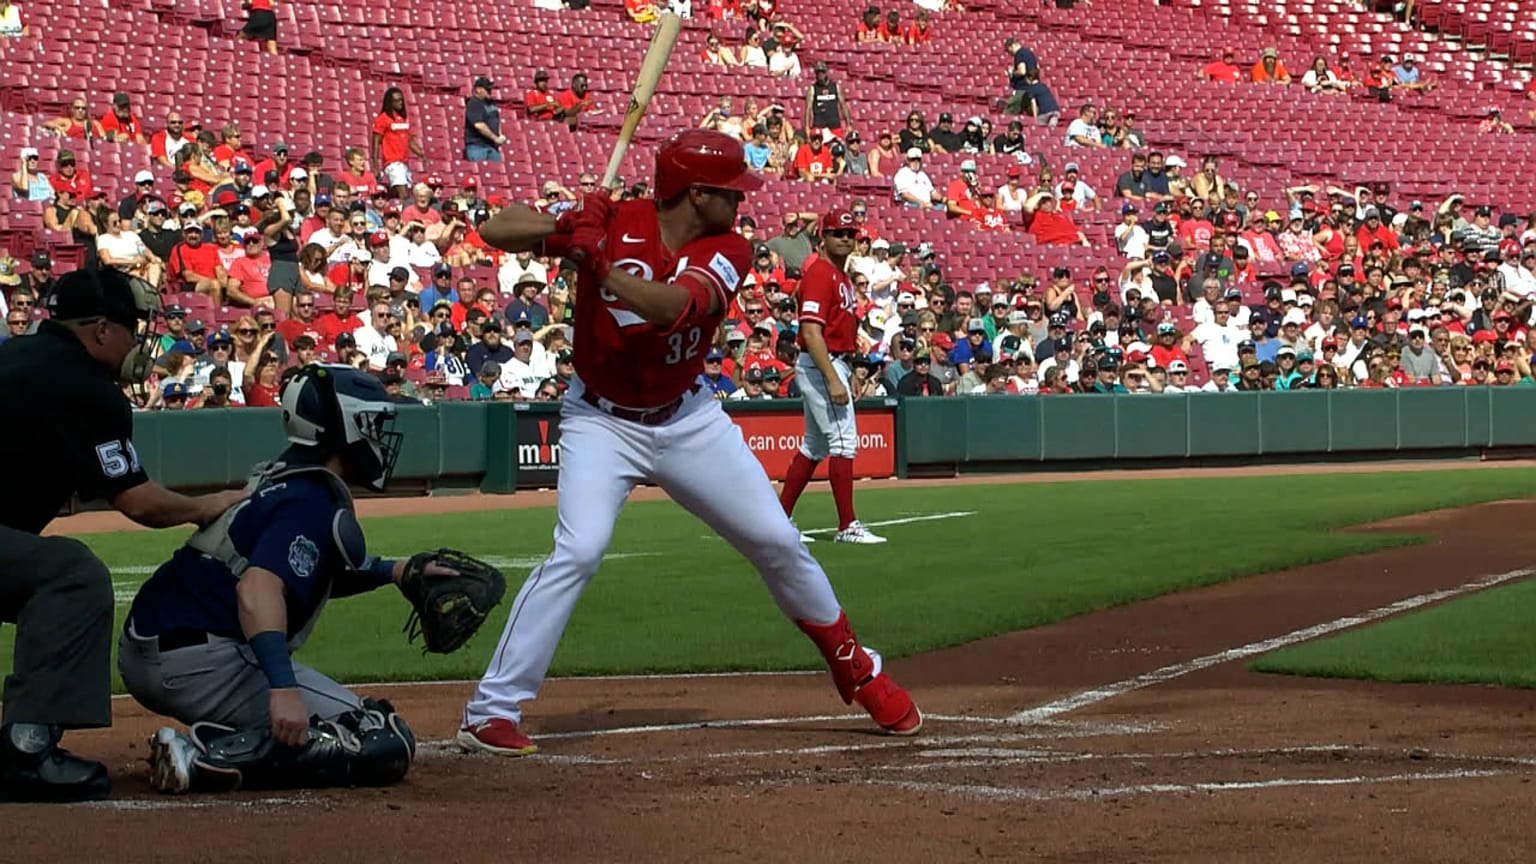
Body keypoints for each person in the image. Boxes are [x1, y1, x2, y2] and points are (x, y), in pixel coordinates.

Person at [458, 129, 922, 756]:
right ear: (697, 193)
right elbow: (495, 230)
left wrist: (598, 264)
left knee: (777, 540)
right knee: (579, 550)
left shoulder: (732, 247)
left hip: (687, 418)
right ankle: (491, 709)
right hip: (600, 419)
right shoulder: (615, 220)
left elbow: (673, 307)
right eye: (732, 192)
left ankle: (856, 669)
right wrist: (568, 223)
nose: (741, 201)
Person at [120, 364, 459, 794]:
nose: (379, 437)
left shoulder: (283, 478)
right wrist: (282, 687)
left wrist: (394, 571)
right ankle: (201, 757)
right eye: (372, 424)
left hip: (157, 644)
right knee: (376, 738)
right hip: (198, 660)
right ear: (345, 428)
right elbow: (257, 588)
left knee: (345, 730)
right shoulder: (310, 501)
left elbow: (297, 572)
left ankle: (225, 741)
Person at [0, 268, 245, 802]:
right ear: (101, 330)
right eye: (132, 329)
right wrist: (206, 505)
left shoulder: (18, 355)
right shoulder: (83, 385)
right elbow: (139, 502)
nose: (138, 342)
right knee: (72, 576)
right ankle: (26, 747)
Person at [778, 206, 886, 545]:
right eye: (838, 233)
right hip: (820, 362)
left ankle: (779, 520)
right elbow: (811, 332)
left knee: (814, 445)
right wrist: (832, 377)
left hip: (834, 360)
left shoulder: (840, 276)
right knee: (843, 442)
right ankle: (847, 525)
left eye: (850, 234)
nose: (845, 238)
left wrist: (847, 369)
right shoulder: (820, 274)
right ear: (823, 237)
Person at [371, 87, 426, 197]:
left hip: (404, 163)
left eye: (401, 100)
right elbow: (376, 143)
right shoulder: (383, 119)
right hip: (392, 162)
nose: (400, 102)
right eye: (396, 100)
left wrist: (422, 155)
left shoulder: (403, 119)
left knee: (406, 193)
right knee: (403, 195)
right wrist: (376, 165)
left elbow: (410, 141)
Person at [463, 75, 508, 162]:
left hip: (492, 147)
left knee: (498, 169)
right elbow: (479, 125)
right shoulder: (474, 103)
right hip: (477, 147)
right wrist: (495, 138)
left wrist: (500, 135)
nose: (490, 91)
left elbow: (496, 120)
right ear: (478, 89)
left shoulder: (491, 104)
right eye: (487, 89)